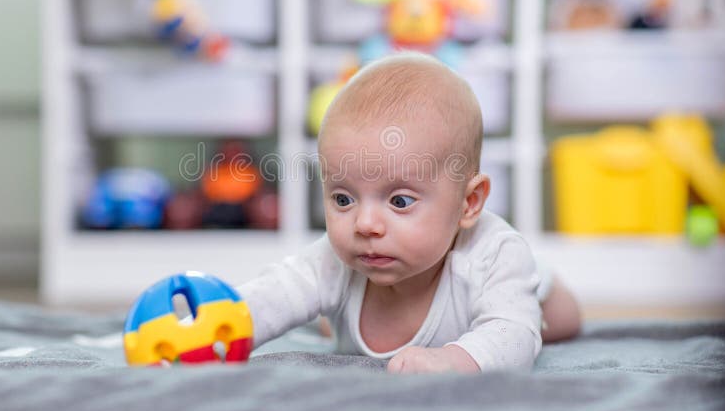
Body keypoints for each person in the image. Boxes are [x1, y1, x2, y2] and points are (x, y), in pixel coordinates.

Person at [238, 52, 581, 374]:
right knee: (313, 294)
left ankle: (540, 282)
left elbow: (514, 337)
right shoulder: (335, 259)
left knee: (559, 320)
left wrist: (453, 359)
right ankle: (333, 315)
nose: (365, 224)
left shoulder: (492, 256)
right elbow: (277, 291)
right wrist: (226, 319)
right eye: (343, 199)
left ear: (469, 202)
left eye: (399, 202)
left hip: (521, 288)